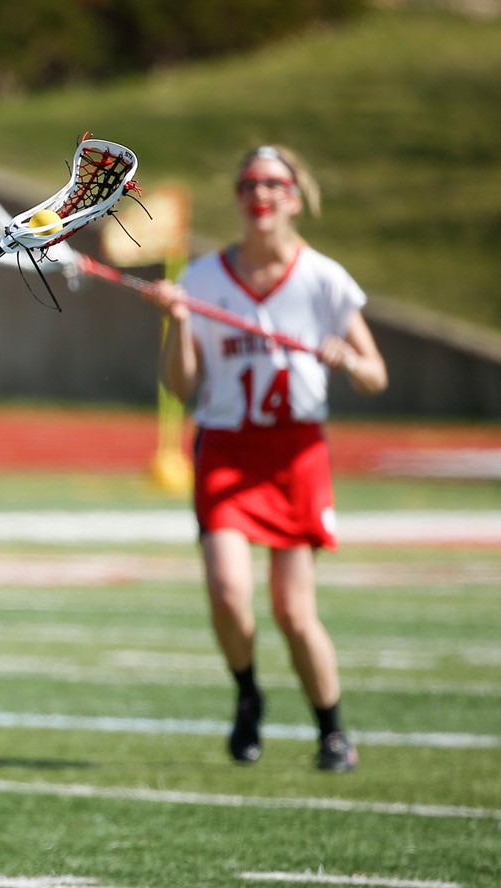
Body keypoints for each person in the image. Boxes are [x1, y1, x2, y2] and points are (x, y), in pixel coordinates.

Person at [149, 144, 388, 772]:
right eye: (249, 184)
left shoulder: (324, 279)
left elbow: (376, 376)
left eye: (273, 184)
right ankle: (248, 694)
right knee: (229, 592)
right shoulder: (203, 279)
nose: (260, 194)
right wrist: (179, 322)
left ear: (295, 198)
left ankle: (332, 730)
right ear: (238, 197)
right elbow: (182, 386)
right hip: (227, 449)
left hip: (295, 454)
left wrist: (348, 359)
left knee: (293, 610)